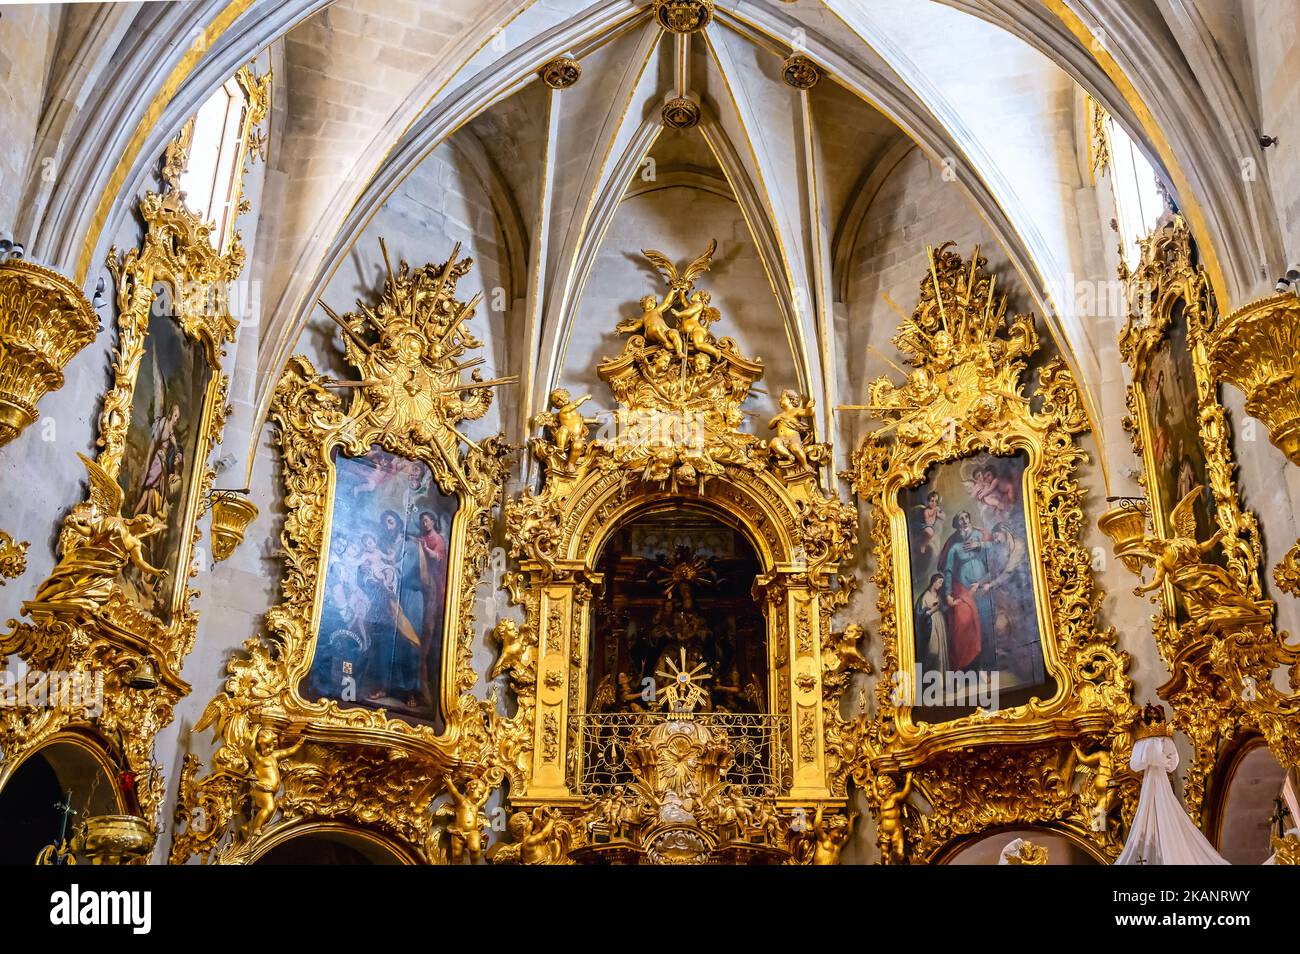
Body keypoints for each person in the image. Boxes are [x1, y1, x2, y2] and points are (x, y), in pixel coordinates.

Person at [937, 511, 993, 671]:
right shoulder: (954, 547)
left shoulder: (979, 537)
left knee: (986, 625)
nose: (964, 521)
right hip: (965, 591)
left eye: (966, 517)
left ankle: (988, 667)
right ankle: (974, 668)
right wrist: (947, 593)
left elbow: (995, 546)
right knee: (968, 627)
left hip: (983, 587)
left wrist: (979, 545)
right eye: (960, 519)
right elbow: (947, 571)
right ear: (956, 525)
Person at [914, 573, 949, 676]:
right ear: (934, 582)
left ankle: (943, 681)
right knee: (934, 651)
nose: (941, 585)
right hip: (931, 626)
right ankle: (931, 679)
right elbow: (920, 616)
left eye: (942, 583)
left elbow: (943, 608)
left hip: (940, 623)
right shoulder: (925, 596)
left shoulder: (938, 595)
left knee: (942, 651)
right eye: (939, 582)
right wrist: (933, 610)